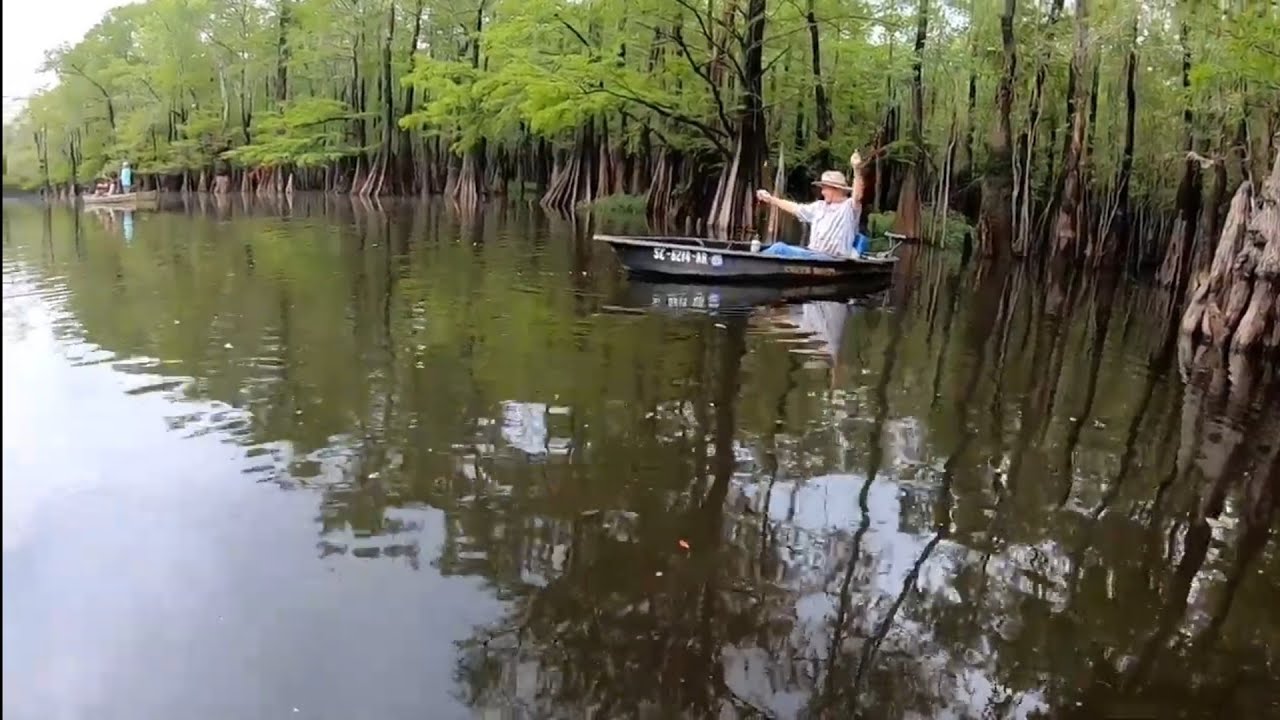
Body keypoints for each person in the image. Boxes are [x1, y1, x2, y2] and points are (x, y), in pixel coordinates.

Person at [755, 152, 865, 259]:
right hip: (813, 254)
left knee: (779, 249)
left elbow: (858, 195)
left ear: (835, 189)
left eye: (825, 188)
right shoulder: (819, 207)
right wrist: (770, 199)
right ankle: (758, 260)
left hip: (832, 258)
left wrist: (857, 169)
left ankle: (757, 262)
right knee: (778, 247)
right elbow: (795, 208)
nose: (822, 192)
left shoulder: (849, 207)